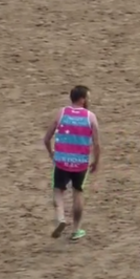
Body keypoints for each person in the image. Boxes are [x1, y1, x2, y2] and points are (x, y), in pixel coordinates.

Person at [43, 85, 101, 241]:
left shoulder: (62, 113)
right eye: (88, 97)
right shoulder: (90, 117)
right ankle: (76, 230)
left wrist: (51, 153)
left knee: (58, 190)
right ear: (82, 99)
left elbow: (47, 138)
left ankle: (60, 218)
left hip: (62, 160)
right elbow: (97, 144)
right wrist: (96, 162)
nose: (89, 100)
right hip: (81, 162)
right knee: (78, 192)